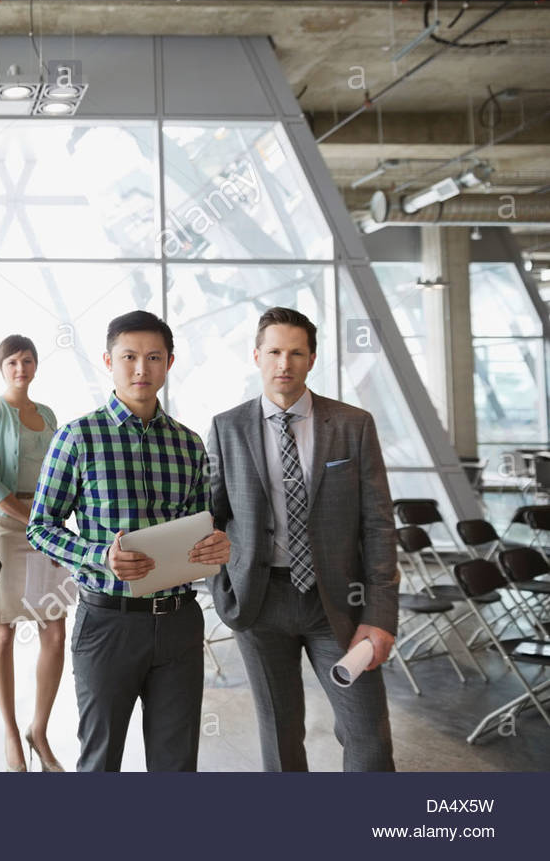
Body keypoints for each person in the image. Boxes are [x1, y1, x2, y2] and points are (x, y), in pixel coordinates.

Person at [28, 311, 230, 772]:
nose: (142, 369)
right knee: (100, 762)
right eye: (130, 357)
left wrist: (217, 548)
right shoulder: (78, 438)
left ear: (169, 363)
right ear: (108, 361)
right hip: (107, 625)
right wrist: (100, 556)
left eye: (153, 357)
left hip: (179, 623)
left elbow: (203, 527)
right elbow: (40, 527)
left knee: (176, 764)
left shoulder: (189, 444)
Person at [207, 306, 397, 771]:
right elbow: (210, 518)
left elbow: (378, 524)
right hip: (259, 602)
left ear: (312, 359)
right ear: (256, 356)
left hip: (339, 604)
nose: (284, 363)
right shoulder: (226, 427)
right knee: (280, 733)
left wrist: (380, 614)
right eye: (274, 351)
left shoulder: (353, 425)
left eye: (296, 352)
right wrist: (223, 589)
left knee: (367, 734)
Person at [0, 335, 69, 772]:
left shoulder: (48, 414)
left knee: (54, 628)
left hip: (46, 524)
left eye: (27, 360)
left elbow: (61, 471)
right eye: (12, 361)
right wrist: (26, 517)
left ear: (36, 365)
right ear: (2, 367)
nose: (20, 368)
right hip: (6, 528)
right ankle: (12, 735)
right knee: (2, 630)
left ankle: (39, 730)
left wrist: (52, 519)